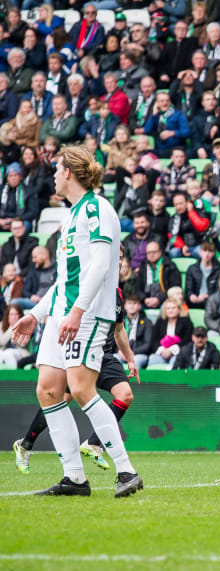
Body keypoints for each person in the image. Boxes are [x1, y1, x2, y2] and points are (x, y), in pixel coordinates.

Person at [8, 146, 143, 497]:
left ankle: (126, 471)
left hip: (86, 314)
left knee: (81, 389)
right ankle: (75, 479)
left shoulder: (97, 208)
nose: (53, 173)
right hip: (61, 314)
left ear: (69, 171)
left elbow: (99, 267)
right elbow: (65, 278)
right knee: (49, 389)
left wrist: (78, 311)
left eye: (56, 168)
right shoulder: (72, 215)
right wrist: (36, 316)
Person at [13, 288, 140, 476]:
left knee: (125, 395)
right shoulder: (79, 285)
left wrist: (130, 359)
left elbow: (119, 330)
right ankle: (25, 445)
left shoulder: (116, 293)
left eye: (120, 257)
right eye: (117, 257)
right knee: (60, 398)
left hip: (102, 354)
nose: (117, 261)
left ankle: (93, 443)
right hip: (76, 351)